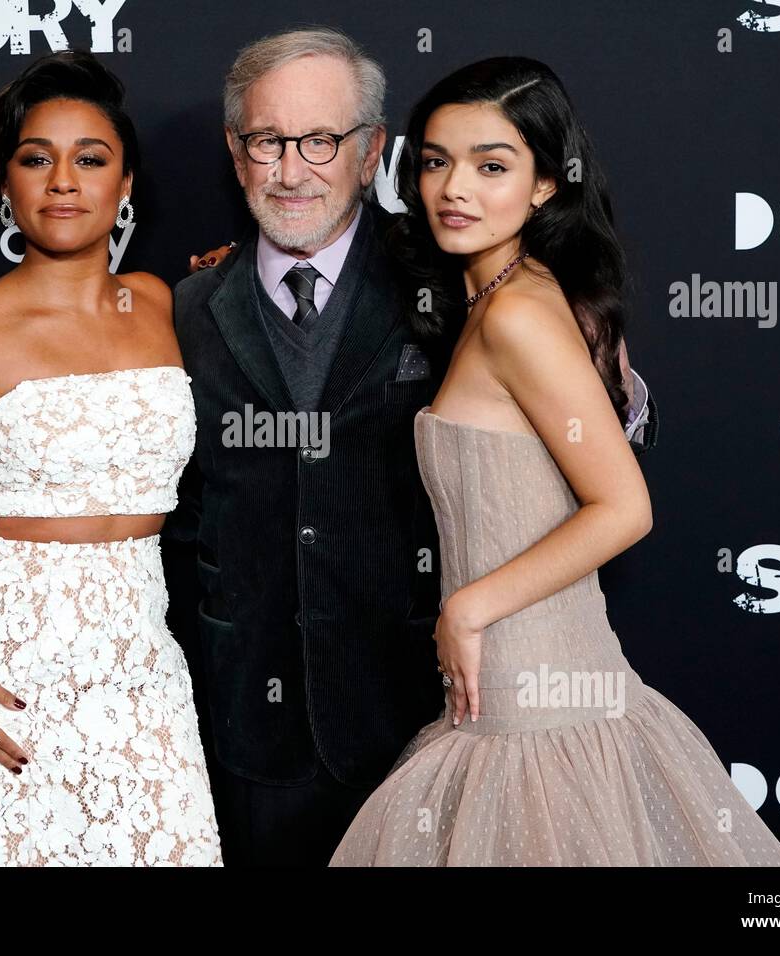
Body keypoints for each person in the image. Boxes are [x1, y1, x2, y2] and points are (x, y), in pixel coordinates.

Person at [169, 28, 656, 867]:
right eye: (267, 142)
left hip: (428, 704)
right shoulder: (184, 306)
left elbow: (593, 446)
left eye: (321, 140)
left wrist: (598, 348)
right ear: (235, 151)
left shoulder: (449, 276)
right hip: (257, 720)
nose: (293, 168)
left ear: (369, 154)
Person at [329, 56, 780, 866]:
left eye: (492, 165)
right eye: (436, 161)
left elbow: (624, 506)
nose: (454, 189)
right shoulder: (499, 295)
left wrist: (468, 608)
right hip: (510, 694)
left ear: (546, 184)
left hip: (536, 699)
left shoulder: (520, 315)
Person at [0, 50, 221, 866]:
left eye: (91, 160)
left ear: (125, 186)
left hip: (137, 654)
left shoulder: (162, 303)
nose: (64, 180)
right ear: (6, 186)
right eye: (36, 159)